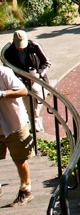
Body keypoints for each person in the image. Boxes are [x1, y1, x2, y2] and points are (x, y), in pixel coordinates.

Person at [2, 32, 51, 132]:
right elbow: (8, 70)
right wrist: (18, 79)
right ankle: (32, 118)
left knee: (35, 90)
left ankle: (35, 118)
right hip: (20, 80)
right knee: (25, 95)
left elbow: (47, 63)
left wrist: (39, 74)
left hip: (36, 78)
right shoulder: (8, 53)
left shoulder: (34, 46)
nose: (21, 48)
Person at [0, 63, 33, 206]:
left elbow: (23, 91)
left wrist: (3, 93)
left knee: (20, 159)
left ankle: (26, 190)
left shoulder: (4, 73)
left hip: (13, 123)